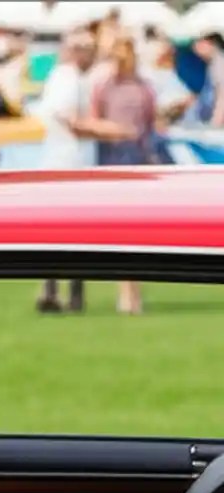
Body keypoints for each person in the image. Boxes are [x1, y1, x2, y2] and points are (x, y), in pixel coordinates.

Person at [89, 35, 159, 314]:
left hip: (137, 160)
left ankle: (133, 290)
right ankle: (126, 291)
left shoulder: (143, 88)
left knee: (135, 229)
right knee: (120, 229)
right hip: (112, 158)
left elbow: (152, 126)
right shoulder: (104, 87)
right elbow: (95, 121)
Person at [33, 30, 98, 314]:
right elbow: (71, 120)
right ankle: (68, 294)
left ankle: (61, 292)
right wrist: (115, 131)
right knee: (72, 233)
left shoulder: (68, 77)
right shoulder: (69, 78)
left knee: (61, 233)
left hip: (64, 162)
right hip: (68, 164)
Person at [192, 32, 224, 126]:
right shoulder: (214, 63)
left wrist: (215, 124)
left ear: (208, 42)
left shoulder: (220, 63)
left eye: (197, 42)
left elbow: (222, 95)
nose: (194, 48)